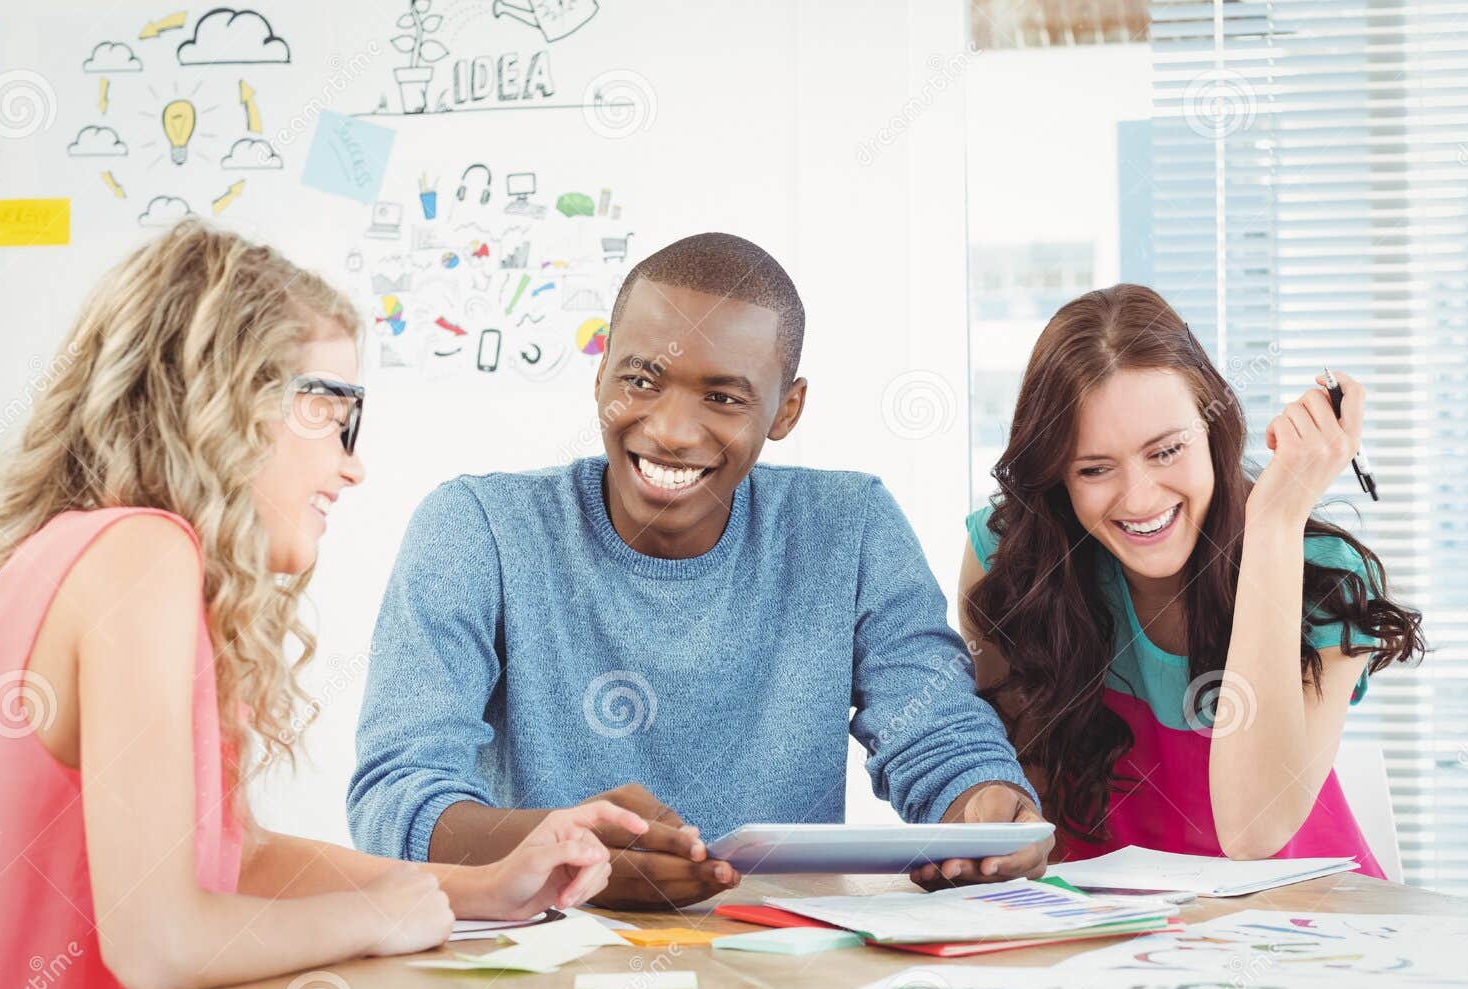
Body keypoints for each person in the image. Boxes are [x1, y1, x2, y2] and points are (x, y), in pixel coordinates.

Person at [0, 221, 644, 989]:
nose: (353, 466)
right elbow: (156, 940)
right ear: (228, 398)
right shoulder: (140, 556)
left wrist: (480, 888)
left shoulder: (75, 559)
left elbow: (241, 858)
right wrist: (376, 916)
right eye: (333, 413)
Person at [350, 232, 1052, 909]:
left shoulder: (851, 527)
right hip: (545, 951)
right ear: (600, 374)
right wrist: (562, 849)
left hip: (782, 956)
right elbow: (398, 792)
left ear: (787, 409)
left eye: (723, 398)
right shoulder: (477, 528)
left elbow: (934, 730)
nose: (670, 430)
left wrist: (985, 807)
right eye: (640, 380)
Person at [959, 284, 1425, 872]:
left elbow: (1254, 832)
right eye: (1095, 469)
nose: (1139, 499)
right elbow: (1022, 807)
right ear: (1058, 478)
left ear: (1214, 428)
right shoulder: (1012, 561)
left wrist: (1275, 523)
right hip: (1102, 918)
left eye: (1166, 451)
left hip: (1302, 916)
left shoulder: (1323, 575)